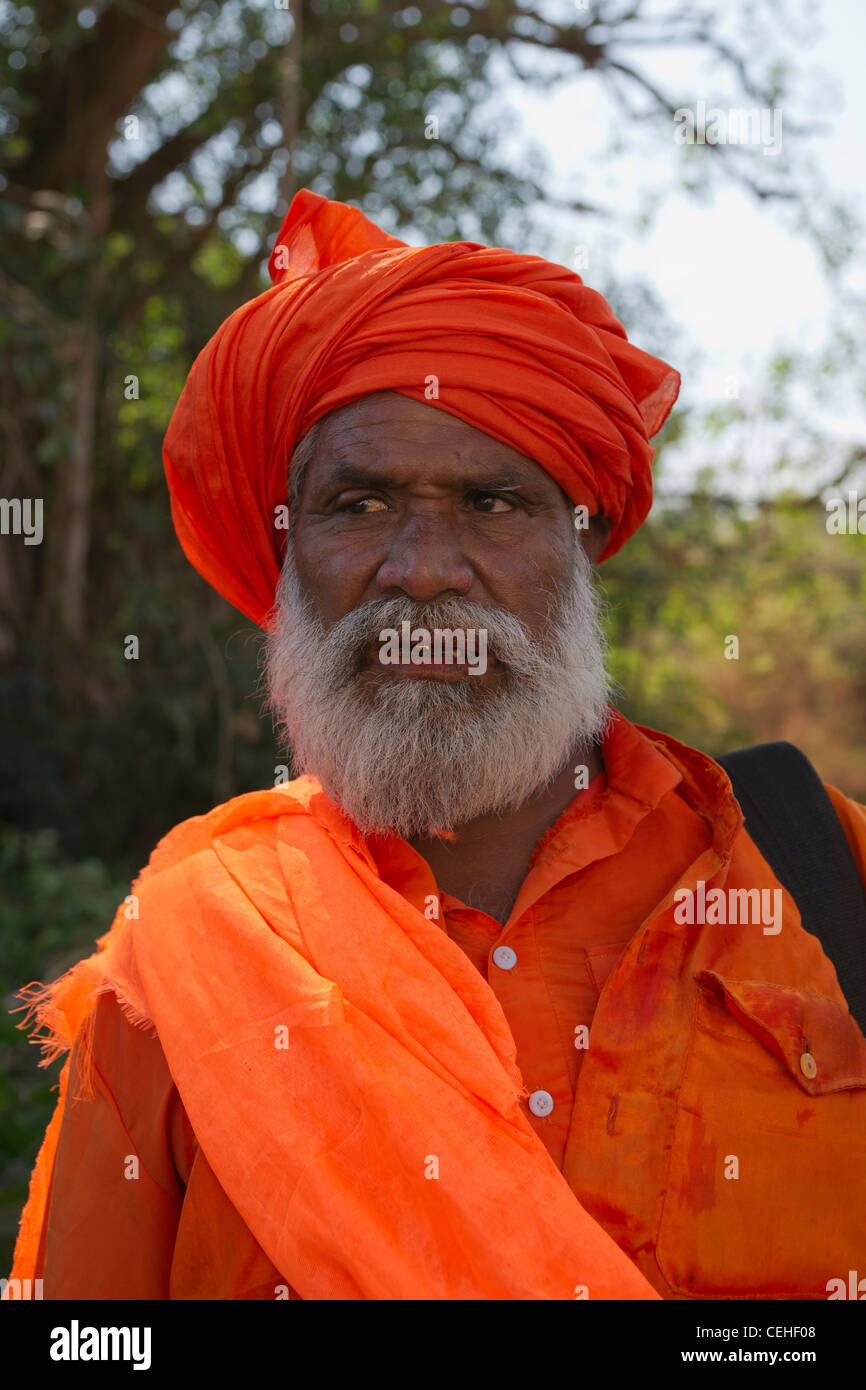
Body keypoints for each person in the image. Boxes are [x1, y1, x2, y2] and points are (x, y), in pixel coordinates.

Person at [5, 190, 866, 1302]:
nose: (421, 568)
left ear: (584, 536)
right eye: (359, 504)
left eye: (490, 502)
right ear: (285, 551)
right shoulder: (192, 949)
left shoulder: (816, 862)